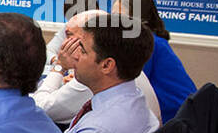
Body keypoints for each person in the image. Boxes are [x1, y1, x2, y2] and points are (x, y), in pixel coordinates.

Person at [64, 12, 160, 133]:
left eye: (82, 50)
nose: (73, 56)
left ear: (107, 65)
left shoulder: (101, 130)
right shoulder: (132, 99)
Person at [33, 8, 161, 124]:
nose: (64, 44)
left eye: (70, 36)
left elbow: (40, 108)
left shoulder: (97, 74)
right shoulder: (121, 66)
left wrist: (60, 66)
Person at [114, 0, 196, 123]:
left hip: (174, 115)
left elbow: (127, 83)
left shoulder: (146, 44)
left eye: (119, 17)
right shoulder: (151, 40)